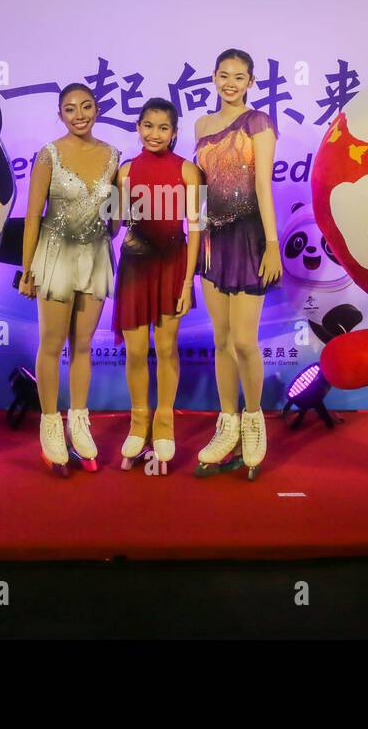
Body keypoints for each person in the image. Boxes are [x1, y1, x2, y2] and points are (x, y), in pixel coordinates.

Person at [19, 83, 120, 475]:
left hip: (95, 255)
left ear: (97, 109)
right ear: (59, 114)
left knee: (82, 345)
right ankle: (49, 424)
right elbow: (32, 216)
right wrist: (27, 268)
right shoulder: (49, 155)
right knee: (51, 344)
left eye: (86, 106)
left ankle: (79, 421)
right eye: (70, 108)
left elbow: (115, 213)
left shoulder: (113, 155)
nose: (79, 114)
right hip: (55, 254)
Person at [192, 49, 281, 480]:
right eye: (224, 75)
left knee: (245, 341)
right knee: (221, 339)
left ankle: (253, 420)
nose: (231, 82)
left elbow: (262, 184)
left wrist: (272, 243)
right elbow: (200, 193)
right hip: (212, 241)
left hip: (248, 238)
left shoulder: (258, 122)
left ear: (250, 82)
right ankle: (225, 425)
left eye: (239, 76)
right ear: (213, 77)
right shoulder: (201, 125)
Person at [113, 98, 202, 475]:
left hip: (172, 266)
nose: (154, 134)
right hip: (135, 266)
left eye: (163, 127)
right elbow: (113, 223)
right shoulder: (125, 170)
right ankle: (138, 421)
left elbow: (195, 230)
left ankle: (164, 422)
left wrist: (186, 283)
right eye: (148, 125)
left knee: (165, 349)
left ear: (175, 132)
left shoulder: (189, 172)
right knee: (135, 352)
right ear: (138, 127)